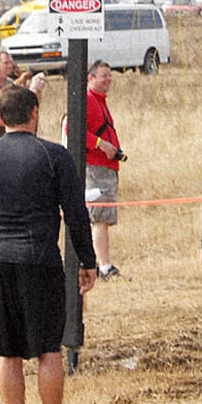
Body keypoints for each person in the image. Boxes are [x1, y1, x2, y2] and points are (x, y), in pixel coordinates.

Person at [0, 85, 97, 404]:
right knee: (49, 350)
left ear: (1, 117)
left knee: (9, 353)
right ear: (34, 112)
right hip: (40, 259)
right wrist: (87, 261)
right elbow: (76, 214)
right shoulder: (54, 155)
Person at [85, 61, 124, 279]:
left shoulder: (99, 100)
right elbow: (73, 130)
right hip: (96, 168)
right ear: (90, 78)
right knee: (100, 217)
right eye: (103, 76)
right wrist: (101, 144)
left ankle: (101, 264)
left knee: (103, 218)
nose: (108, 79)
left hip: (107, 167)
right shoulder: (88, 100)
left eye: (110, 75)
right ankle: (105, 267)